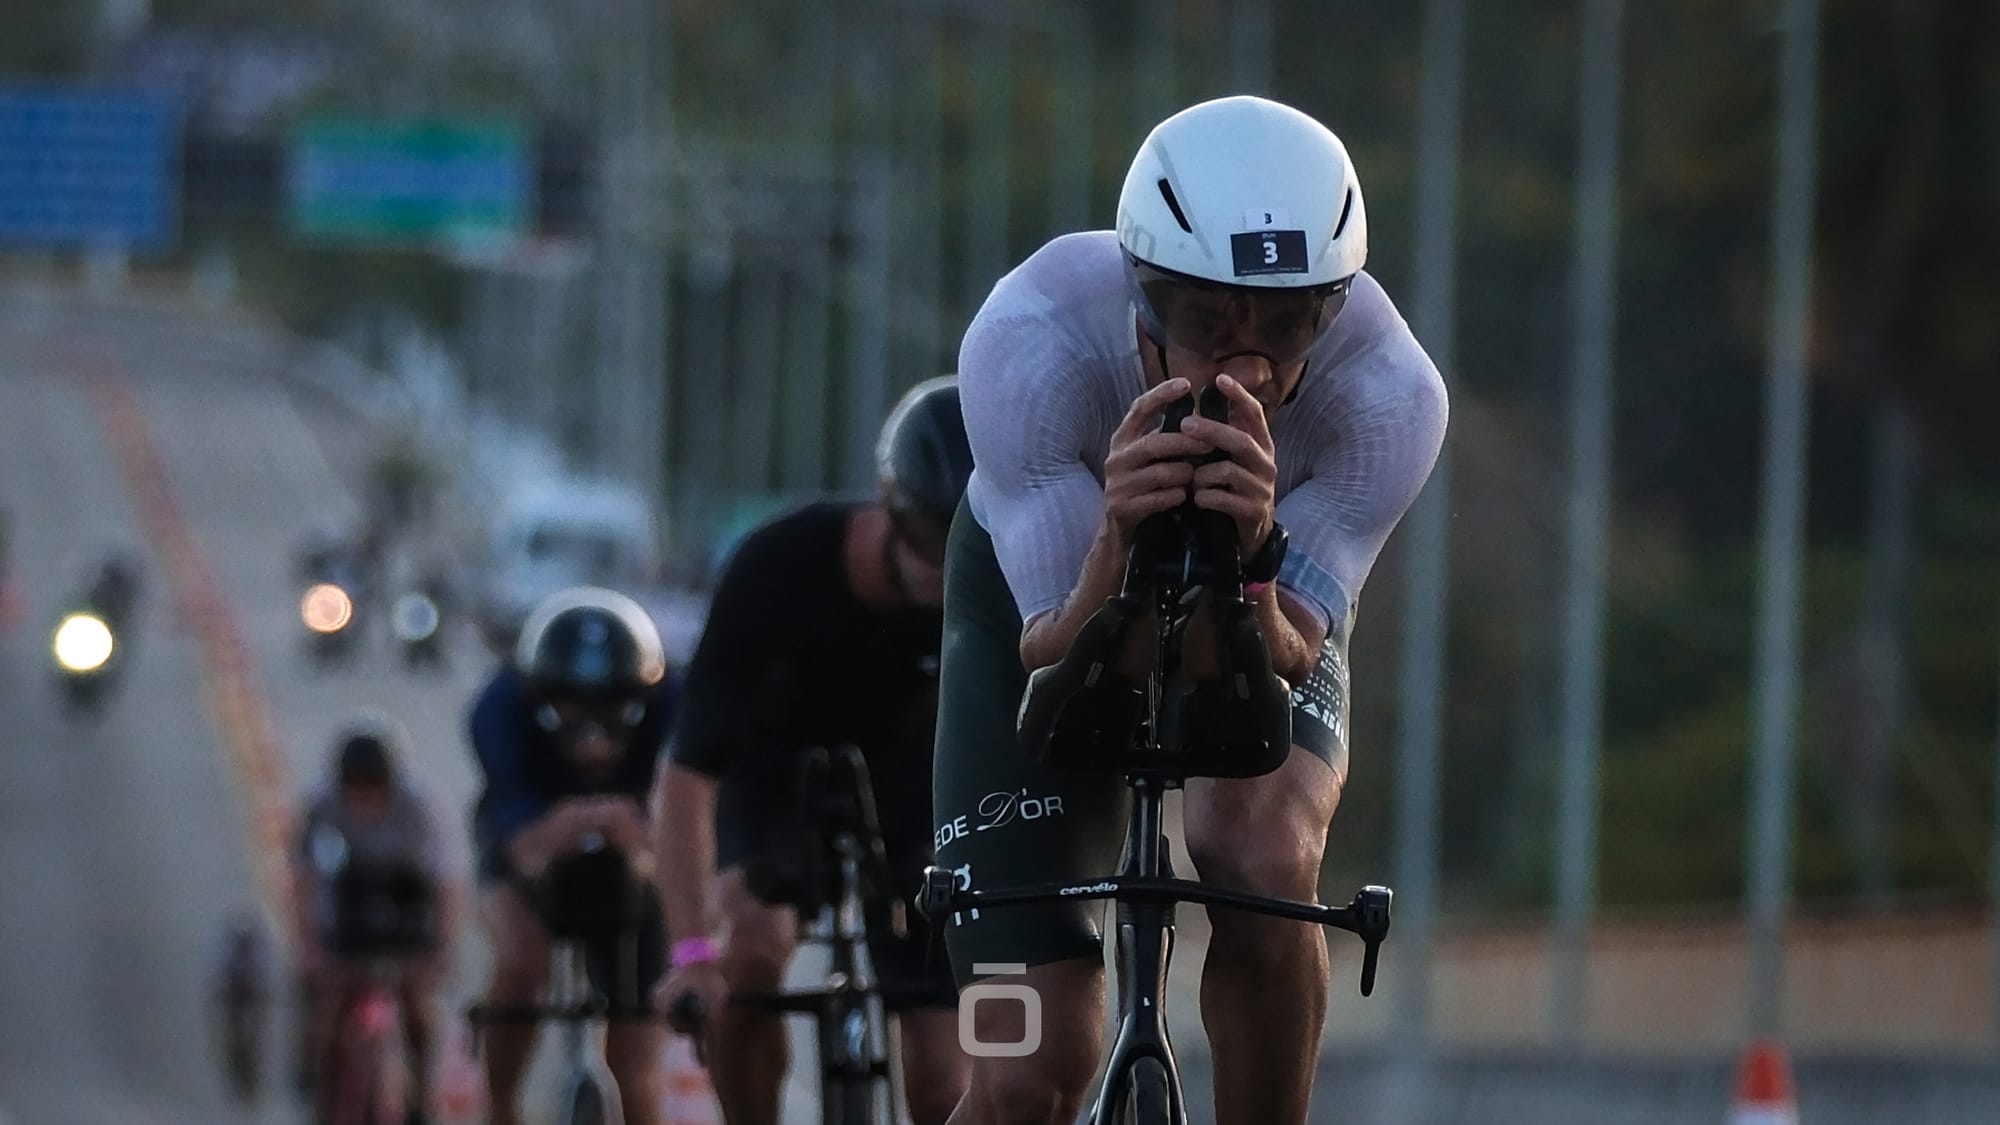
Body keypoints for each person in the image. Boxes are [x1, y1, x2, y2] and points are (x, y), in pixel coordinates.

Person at [930, 94, 1450, 1123]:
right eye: (1207, 321)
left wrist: (1256, 549)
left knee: (1260, 856)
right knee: (1024, 1063)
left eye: (1288, 325)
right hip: (1038, 615)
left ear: (1333, 308)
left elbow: (1296, 646)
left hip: (1256, 593)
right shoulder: (1027, 342)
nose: (1245, 366)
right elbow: (1046, 647)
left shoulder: (1390, 397)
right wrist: (1116, 536)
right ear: (1142, 300)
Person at [653, 376, 975, 1125]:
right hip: (775, 784)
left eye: (964, 542)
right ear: (889, 509)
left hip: (914, 794)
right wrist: (692, 952)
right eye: (929, 538)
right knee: (754, 951)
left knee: (940, 1078)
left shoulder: (984, 592)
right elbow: (686, 780)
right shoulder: (775, 566)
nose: (942, 570)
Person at [467, 585, 680, 1125]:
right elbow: (516, 840)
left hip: (634, 867)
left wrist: (641, 834)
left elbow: (684, 821)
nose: (592, 741)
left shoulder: (676, 704)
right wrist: (561, 828)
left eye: (611, 713)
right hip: (528, 853)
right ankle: (499, 1105)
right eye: (571, 712)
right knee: (521, 958)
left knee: (636, 1061)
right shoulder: (498, 711)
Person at [290, 714, 460, 1125]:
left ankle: (420, 1097)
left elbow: (444, 885)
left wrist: (440, 948)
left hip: (406, 906)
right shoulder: (321, 805)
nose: (365, 800)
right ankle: (323, 1099)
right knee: (330, 1010)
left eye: (375, 788)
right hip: (348, 909)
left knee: (418, 1007)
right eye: (356, 788)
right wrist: (309, 945)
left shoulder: (417, 808)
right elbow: (303, 880)